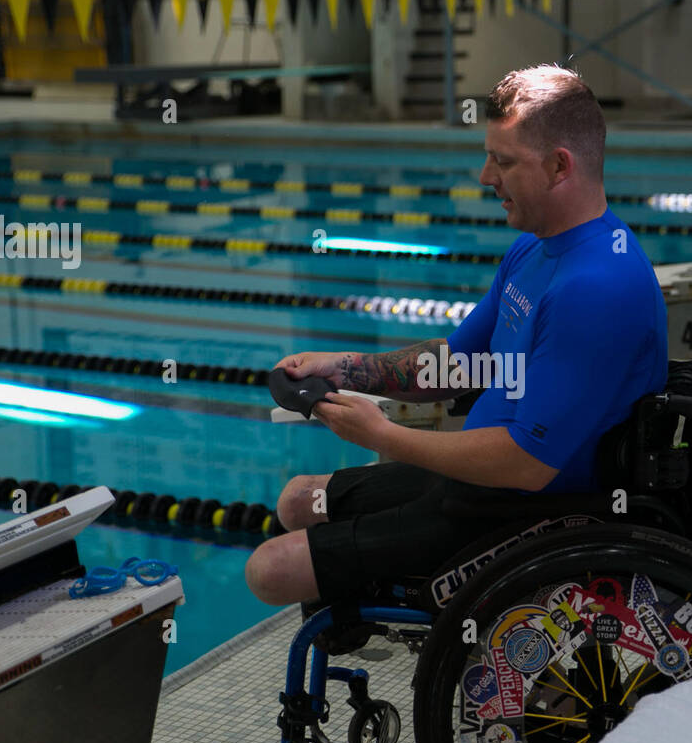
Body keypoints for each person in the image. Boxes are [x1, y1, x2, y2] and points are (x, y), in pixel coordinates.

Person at [245, 64, 667, 608]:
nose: (484, 176)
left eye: (503, 160)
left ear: (559, 166)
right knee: (298, 500)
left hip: (528, 512)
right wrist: (345, 367)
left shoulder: (598, 287)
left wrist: (381, 436)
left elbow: (529, 463)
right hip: (471, 483)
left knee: (269, 570)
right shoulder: (535, 250)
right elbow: (457, 365)